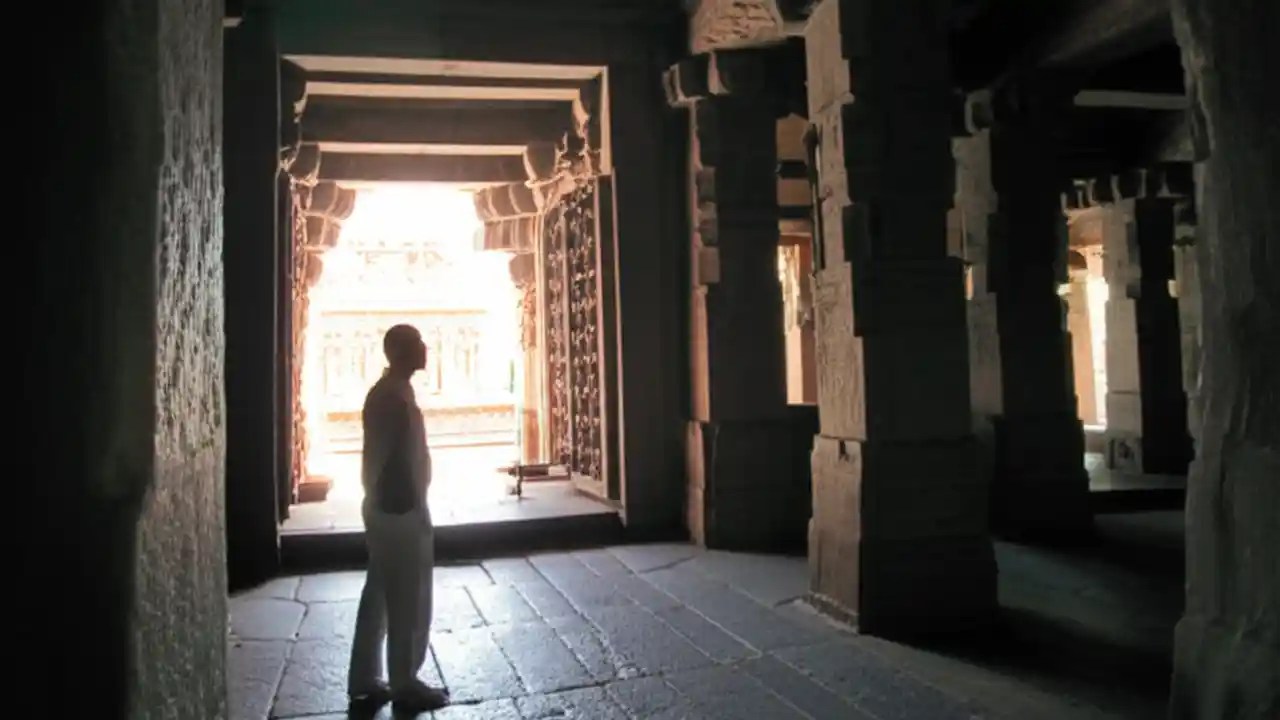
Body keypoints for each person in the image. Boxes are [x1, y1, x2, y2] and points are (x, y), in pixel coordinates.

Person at [347, 324, 448, 713]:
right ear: (403, 351)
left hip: (390, 510)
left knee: (379, 595)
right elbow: (388, 462)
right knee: (406, 596)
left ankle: (366, 677)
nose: (426, 349)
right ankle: (404, 681)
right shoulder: (390, 397)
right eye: (419, 344)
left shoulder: (392, 392)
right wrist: (405, 509)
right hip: (398, 512)